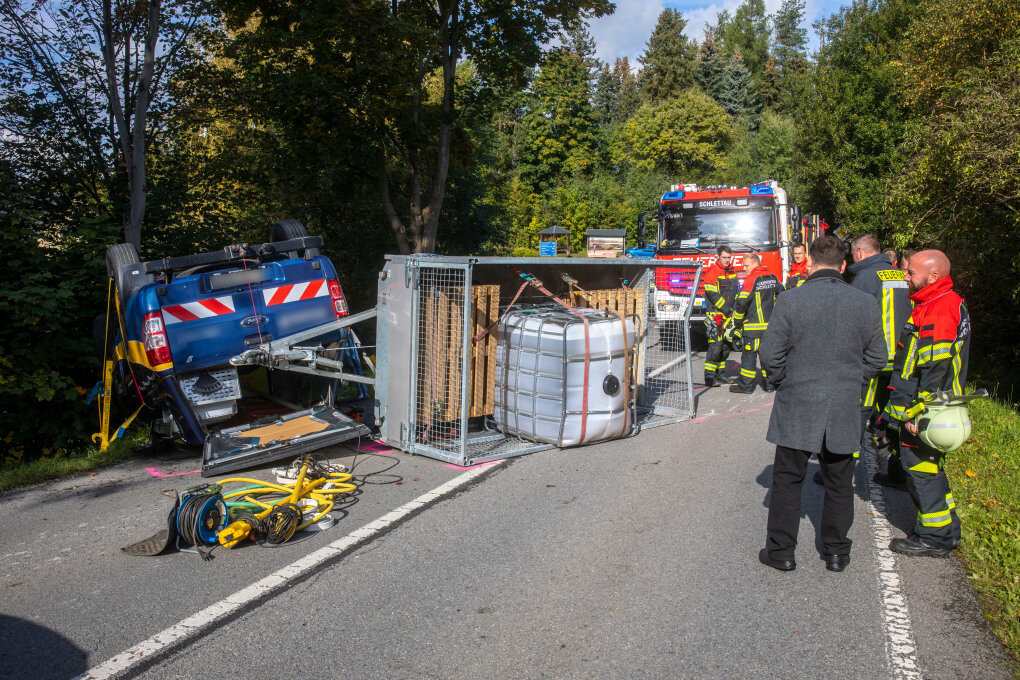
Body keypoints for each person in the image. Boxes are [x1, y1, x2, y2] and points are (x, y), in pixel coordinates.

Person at [758, 235, 887, 572]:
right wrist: (851, 382)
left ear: (810, 263)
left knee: (788, 480)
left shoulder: (790, 300)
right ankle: (836, 552)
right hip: (844, 402)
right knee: (840, 482)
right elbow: (878, 358)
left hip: (797, 401)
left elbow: (770, 355)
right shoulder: (865, 303)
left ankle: (781, 553)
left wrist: (784, 381)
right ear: (843, 265)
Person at [884, 250, 970, 558]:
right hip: (931, 407)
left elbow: (936, 369)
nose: (905, 277)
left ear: (933, 276)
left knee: (921, 471)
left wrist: (919, 414)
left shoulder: (939, 310)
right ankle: (948, 530)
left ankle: (934, 537)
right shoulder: (935, 302)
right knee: (930, 469)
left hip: (928, 409)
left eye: (911, 273)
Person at [815, 234, 913, 488]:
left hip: (874, 359)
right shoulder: (902, 275)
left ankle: (841, 473)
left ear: (859, 252)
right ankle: (899, 473)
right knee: (896, 415)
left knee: (857, 412)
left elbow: (851, 319)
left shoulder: (866, 277)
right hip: (902, 360)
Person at [729, 253, 780, 394]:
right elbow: (782, 294)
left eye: (747, 265)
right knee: (767, 356)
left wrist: (738, 321)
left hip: (753, 327)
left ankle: (746, 386)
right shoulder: (773, 277)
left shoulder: (751, 280)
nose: (744, 268)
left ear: (755, 264)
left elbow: (742, 303)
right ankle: (770, 385)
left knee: (749, 357)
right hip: (769, 327)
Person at [701, 246, 740, 387]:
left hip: (729, 317)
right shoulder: (712, 272)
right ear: (718, 256)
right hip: (716, 317)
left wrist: (736, 309)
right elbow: (713, 295)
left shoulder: (732, 272)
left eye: (729, 257)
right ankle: (710, 377)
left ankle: (721, 374)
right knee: (716, 346)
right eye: (724, 257)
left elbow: (737, 292)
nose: (727, 260)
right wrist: (728, 311)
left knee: (725, 347)